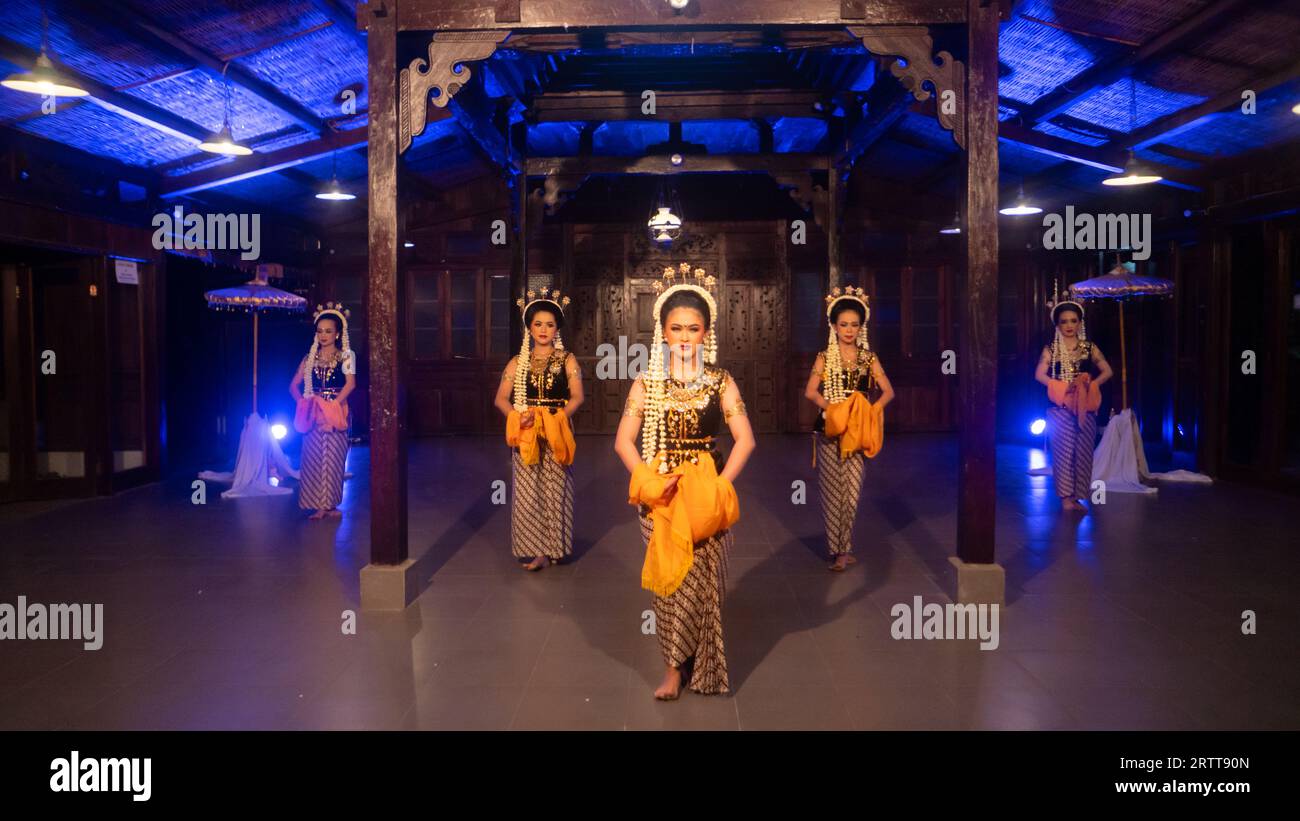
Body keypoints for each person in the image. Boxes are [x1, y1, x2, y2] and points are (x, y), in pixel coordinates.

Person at [613, 263, 755, 700]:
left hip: (706, 497)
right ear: (663, 332)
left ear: (706, 332)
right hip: (659, 500)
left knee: (704, 583)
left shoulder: (720, 380)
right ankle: (673, 668)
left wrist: (718, 487)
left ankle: (702, 664)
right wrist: (650, 483)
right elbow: (623, 442)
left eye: (694, 329)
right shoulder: (647, 383)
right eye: (676, 328)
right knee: (672, 581)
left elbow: (745, 440)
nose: (685, 337)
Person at [803, 286, 894, 571]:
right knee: (832, 492)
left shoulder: (868, 358)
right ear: (833, 326)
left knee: (852, 493)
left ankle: (844, 548)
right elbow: (810, 392)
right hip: (830, 431)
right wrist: (834, 410)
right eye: (843, 324)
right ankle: (838, 551)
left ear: (861, 327)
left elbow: (888, 391)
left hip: (856, 433)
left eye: (855, 325)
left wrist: (870, 412)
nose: (849, 330)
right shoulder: (824, 357)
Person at [493, 288, 584, 570]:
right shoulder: (518, 362)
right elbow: (500, 398)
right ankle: (536, 550)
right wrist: (517, 418)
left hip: (557, 431)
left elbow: (578, 396)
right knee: (528, 490)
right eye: (538, 324)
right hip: (528, 432)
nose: (543, 329)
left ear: (556, 328)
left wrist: (558, 418)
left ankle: (556, 547)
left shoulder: (567, 359)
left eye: (549, 324)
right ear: (529, 328)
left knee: (556, 489)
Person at [1034, 300, 1113, 512]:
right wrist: (1062, 388)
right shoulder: (1051, 349)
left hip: (1085, 407)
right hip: (1060, 408)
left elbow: (1107, 371)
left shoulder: (1089, 347)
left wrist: (1092, 385)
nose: (1069, 325)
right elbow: (1039, 375)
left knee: (1084, 452)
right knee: (1063, 452)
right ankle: (1065, 498)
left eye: (1073, 321)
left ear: (1080, 323)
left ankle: (1078, 496)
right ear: (1057, 325)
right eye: (1064, 322)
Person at [290, 303, 356, 520]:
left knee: (333, 457)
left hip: (336, 409)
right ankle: (317, 503)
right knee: (313, 457)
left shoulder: (346, 356)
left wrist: (334, 404)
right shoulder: (309, 358)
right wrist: (303, 402)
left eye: (328, 331)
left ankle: (328, 505)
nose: (323, 335)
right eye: (320, 331)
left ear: (337, 333)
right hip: (313, 411)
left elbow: (350, 384)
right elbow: (293, 386)